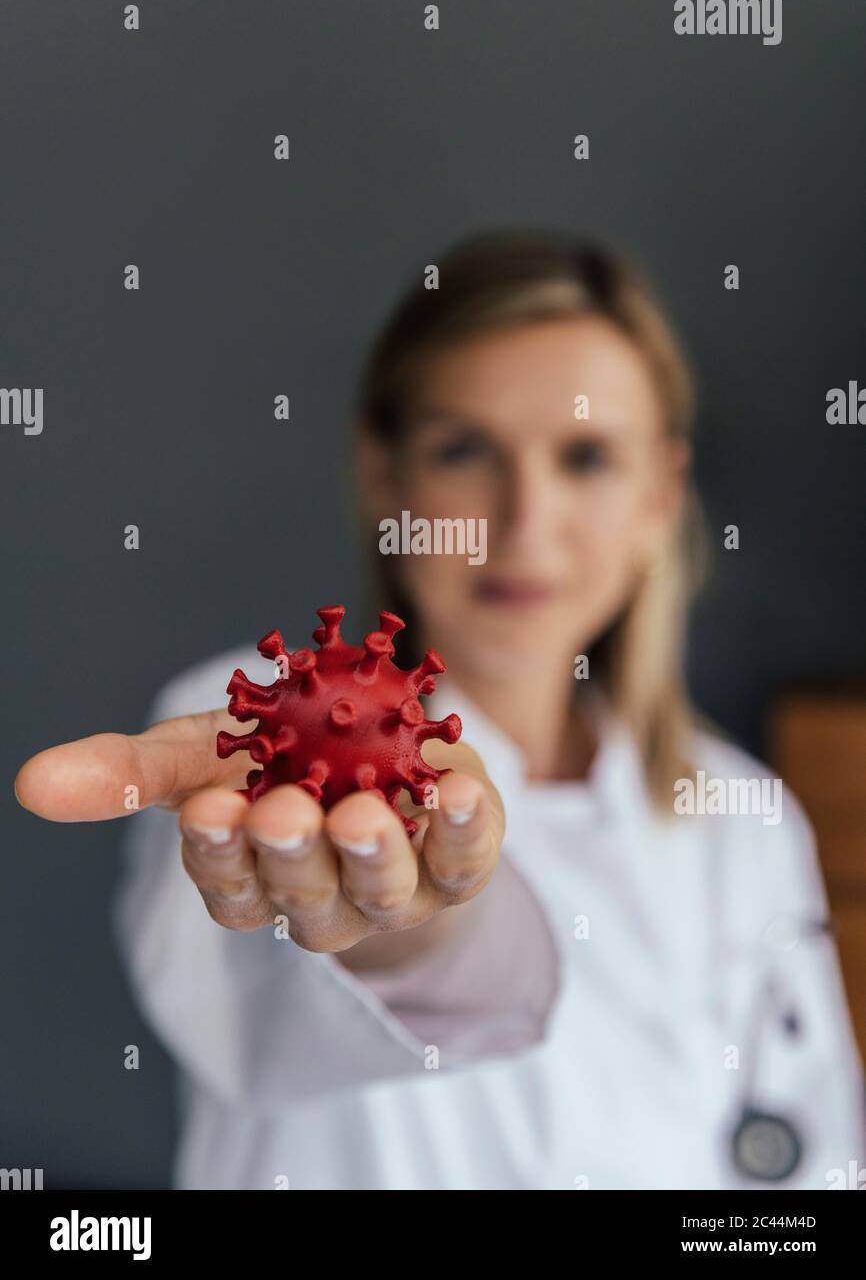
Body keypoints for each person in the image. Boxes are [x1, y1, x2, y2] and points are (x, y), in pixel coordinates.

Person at [15, 229, 865, 1190]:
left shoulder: (745, 822)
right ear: (385, 476)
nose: (524, 521)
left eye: (586, 457)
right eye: (465, 449)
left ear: (660, 498)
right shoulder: (244, 734)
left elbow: (813, 1163)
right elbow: (269, 1005)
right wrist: (413, 925)